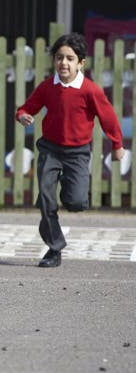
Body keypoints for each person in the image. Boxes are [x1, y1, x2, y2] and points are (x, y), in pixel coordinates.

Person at [15, 32, 124, 268]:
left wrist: (117, 145)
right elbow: (27, 108)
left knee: (75, 201)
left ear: (81, 63)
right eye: (59, 57)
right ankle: (54, 249)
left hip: (77, 153)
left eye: (70, 58)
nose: (63, 63)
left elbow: (109, 118)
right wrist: (22, 115)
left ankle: (61, 195)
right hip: (50, 149)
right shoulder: (47, 87)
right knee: (46, 199)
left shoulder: (90, 90)